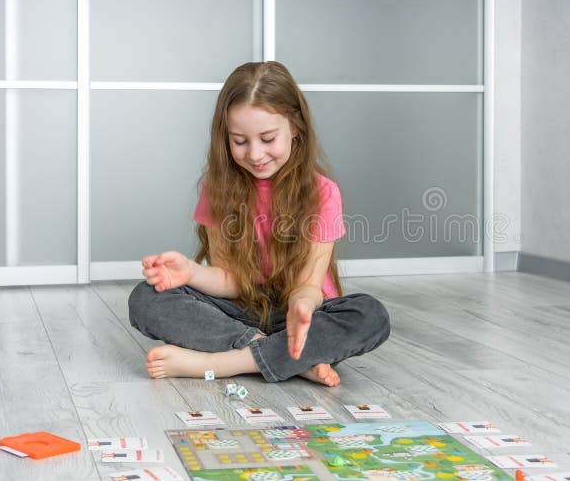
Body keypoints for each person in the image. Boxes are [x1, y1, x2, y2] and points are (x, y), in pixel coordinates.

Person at [128, 61, 390, 386]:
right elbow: (231, 280)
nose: (255, 154)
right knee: (145, 298)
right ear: (225, 137)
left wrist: (302, 307)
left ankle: (226, 362)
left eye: (267, 138)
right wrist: (190, 272)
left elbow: (309, 285)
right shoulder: (217, 188)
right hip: (244, 309)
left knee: (370, 314)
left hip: (304, 312)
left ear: (295, 128)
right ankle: (285, 357)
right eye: (240, 141)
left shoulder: (323, 194)